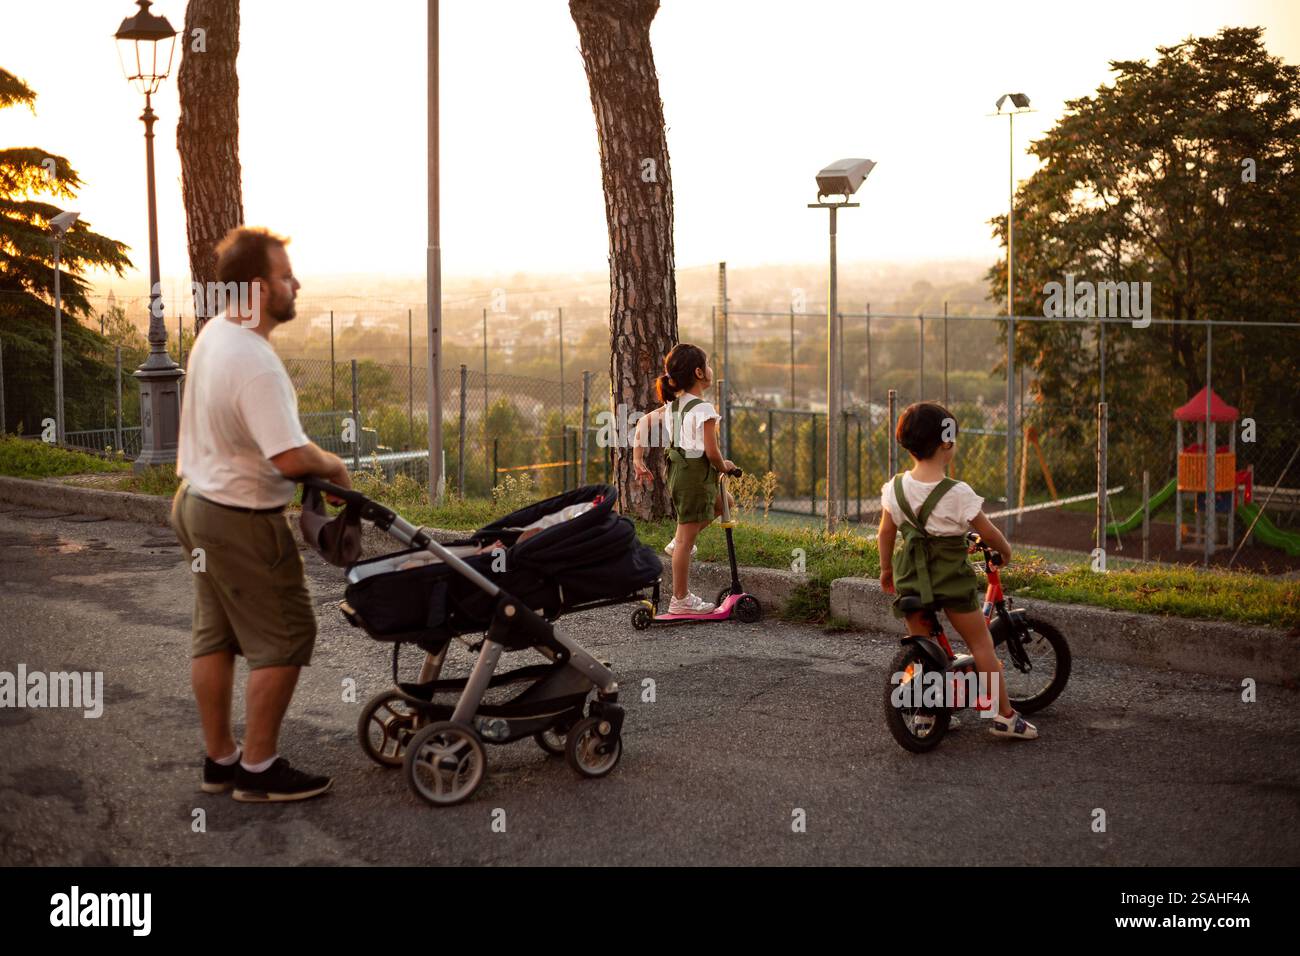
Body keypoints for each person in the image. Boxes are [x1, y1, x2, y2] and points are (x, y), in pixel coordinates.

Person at [171, 226, 354, 802]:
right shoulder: (254, 362)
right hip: (240, 518)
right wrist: (336, 467)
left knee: (217, 635)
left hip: (196, 504)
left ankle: (221, 759)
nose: (294, 284)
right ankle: (258, 768)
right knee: (289, 633)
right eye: (284, 276)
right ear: (256, 287)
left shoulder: (216, 334)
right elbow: (290, 456)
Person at [876, 401, 1038, 739]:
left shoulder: (895, 488)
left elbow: (886, 533)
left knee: (921, 648)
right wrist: (1004, 550)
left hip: (911, 580)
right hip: (951, 581)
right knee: (981, 645)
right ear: (946, 442)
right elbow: (989, 532)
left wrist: (886, 570)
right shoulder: (958, 492)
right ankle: (1004, 716)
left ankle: (925, 715)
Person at [631, 343, 734, 614]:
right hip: (695, 474)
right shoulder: (704, 409)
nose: (711, 368)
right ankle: (680, 600)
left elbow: (642, 424)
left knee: (725, 502)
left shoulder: (674, 406)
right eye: (708, 364)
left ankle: (679, 544)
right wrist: (725, 466)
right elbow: (712, 452)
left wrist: (637, 459)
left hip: (679, 472)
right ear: (700, 372)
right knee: (686, 541)